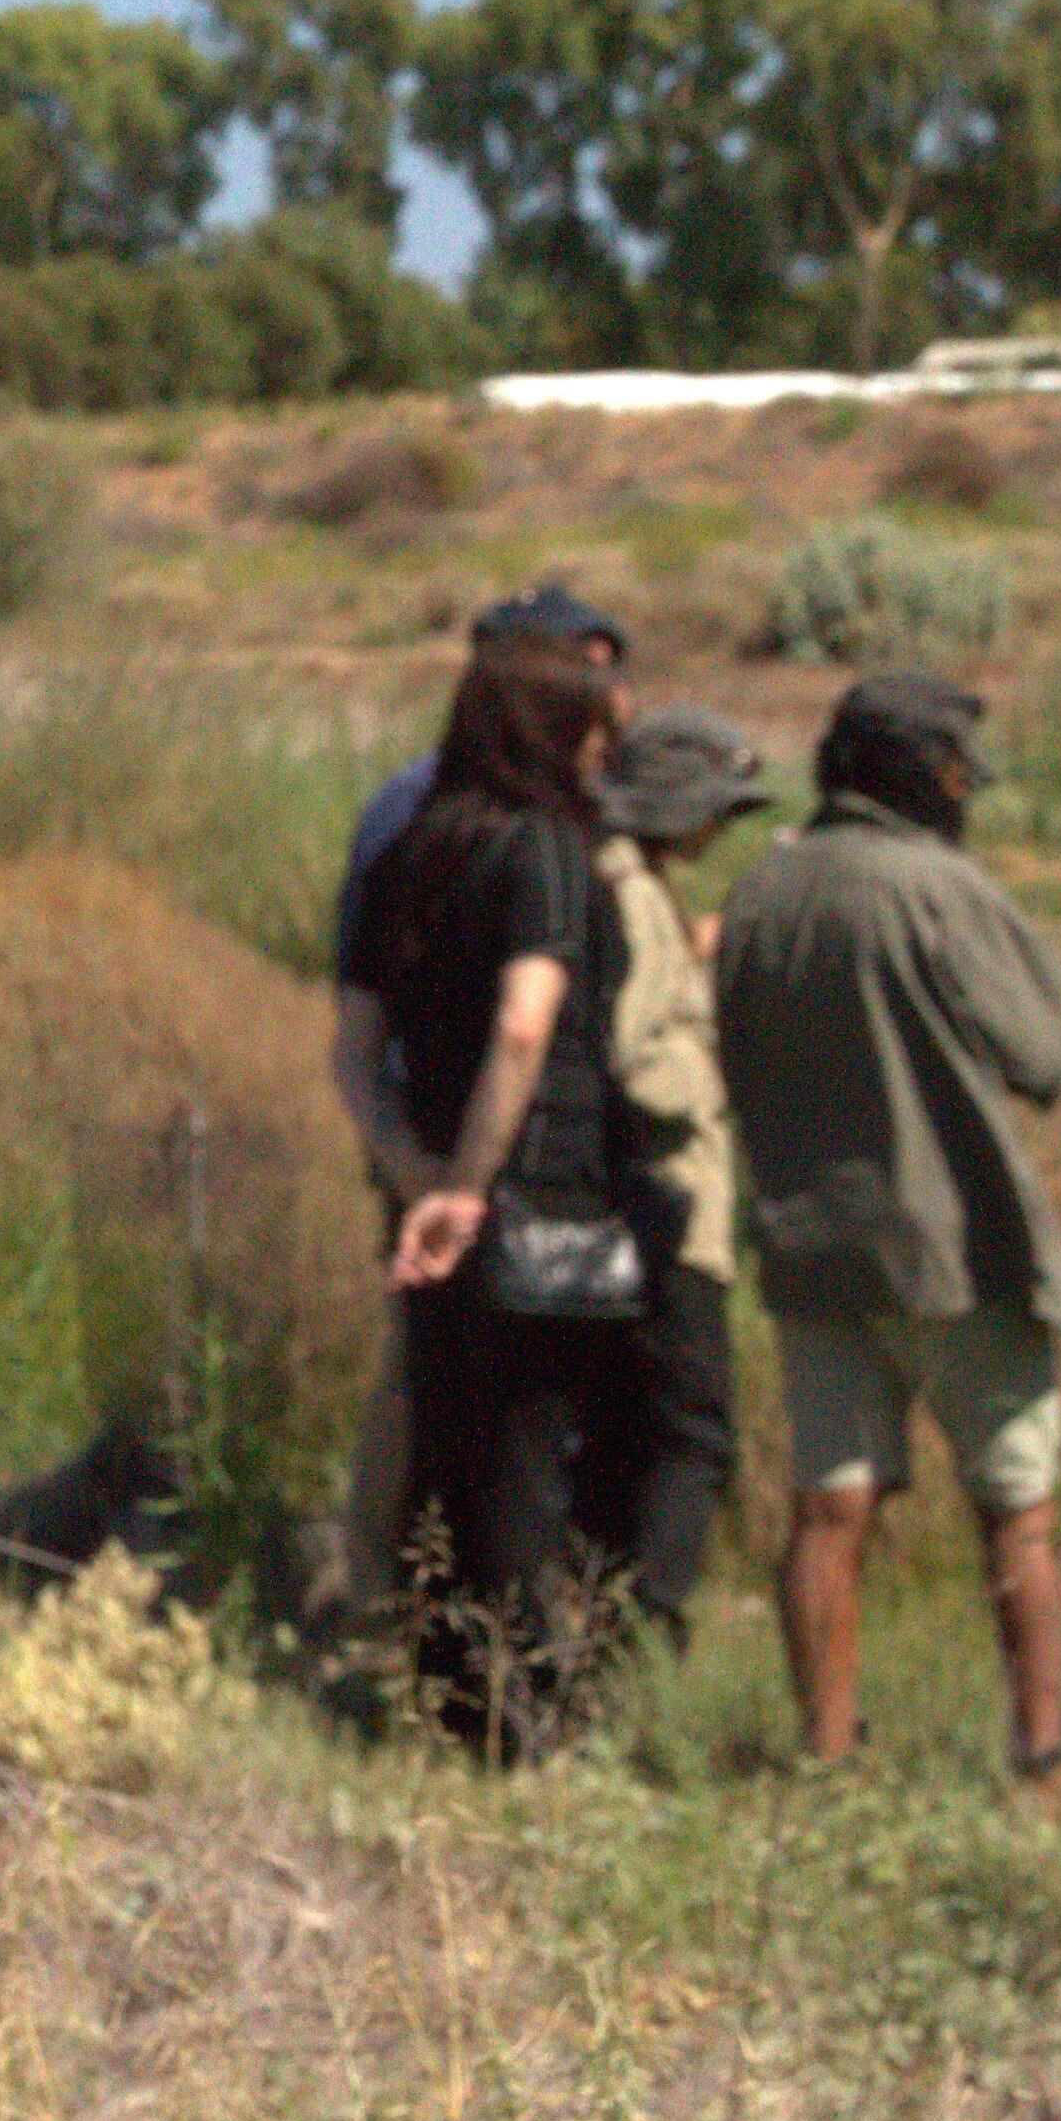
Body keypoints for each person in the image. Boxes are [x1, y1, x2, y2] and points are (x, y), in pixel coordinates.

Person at [710, 672, 1061, 1798]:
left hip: (810, 1249)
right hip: (953, 1245)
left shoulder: (762, 887)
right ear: (921, 777)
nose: (965, 792)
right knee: (1017, 1516)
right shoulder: (939, 884)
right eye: (954, 772)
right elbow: (1048, 1057)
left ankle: (823, 1765)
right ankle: (1043, 1768)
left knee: (828, 1512)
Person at [349, 631, 638, 1755]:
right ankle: (513, 1737)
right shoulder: (543, 851)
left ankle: (437, 1706)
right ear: (558, 736)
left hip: (422, 1197)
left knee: (443, 1449)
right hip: (537, 1194)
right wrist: (469, 1187)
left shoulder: (409, 849)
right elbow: (524, 1027)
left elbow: (350, 1045)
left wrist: (411, 1170)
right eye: (596, 736)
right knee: (525, 1463)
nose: (603, 759)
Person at [573, 706, 771, 1652]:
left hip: (626, 1208)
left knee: (624, 1434)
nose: (723, 827)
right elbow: (630, 1056)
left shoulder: (622, 885)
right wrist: (714, 1065)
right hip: (663, 1204)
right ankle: (643, 1635)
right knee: (691, 1435)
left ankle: (594, 1632)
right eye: (718, 808)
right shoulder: (631, 896)